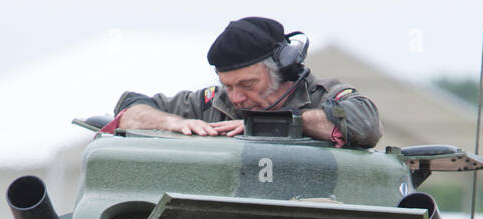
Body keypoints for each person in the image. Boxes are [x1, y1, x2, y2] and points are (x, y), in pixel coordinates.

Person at [110, 17, 382, 148]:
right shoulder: (213, 102)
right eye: (228, 86)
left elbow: (365, 126)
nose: (235, 98)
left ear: (284, 67)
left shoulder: (324, 96)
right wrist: (173, 123)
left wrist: (277, 123)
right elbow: (131, 110)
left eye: (248, 85)